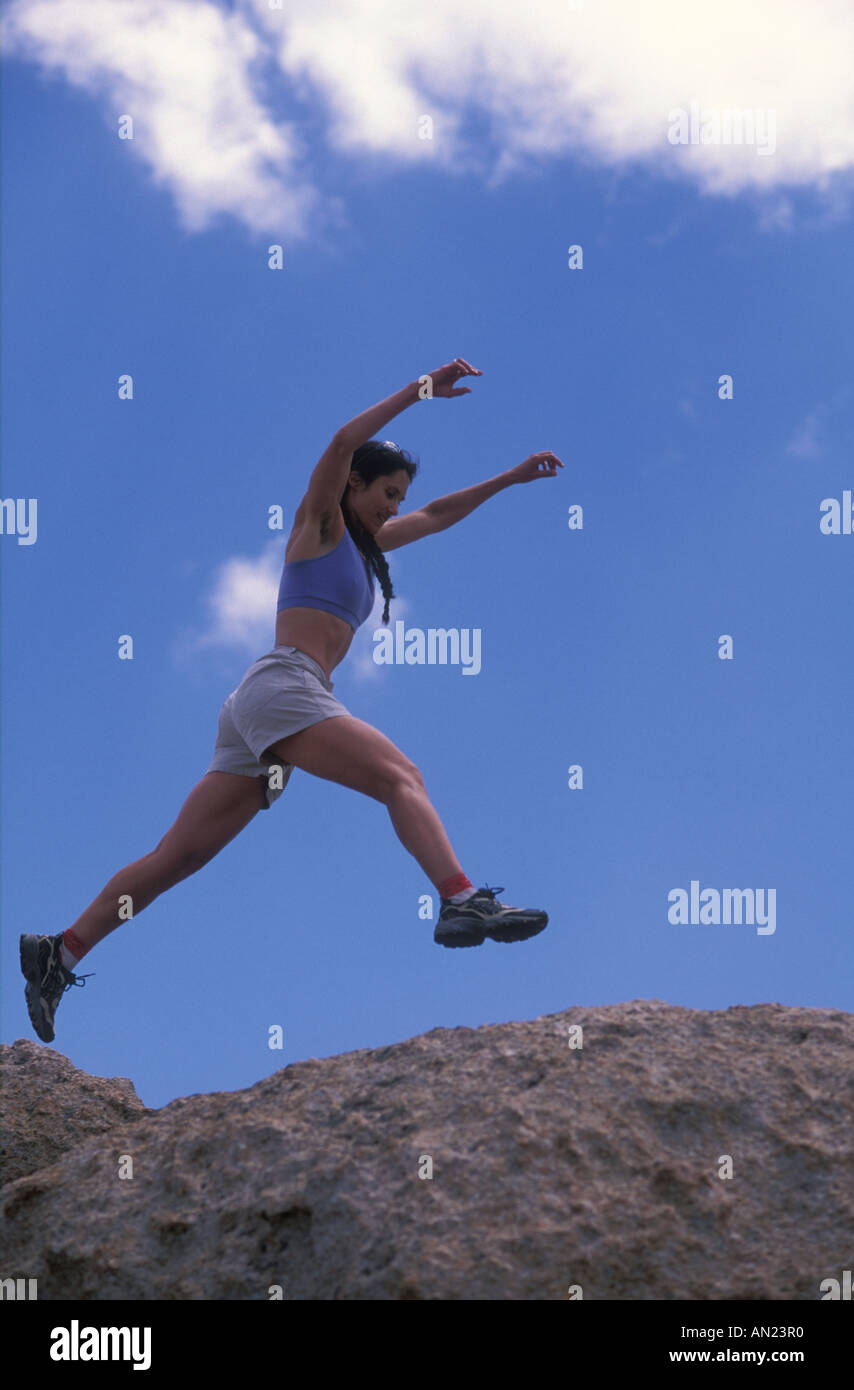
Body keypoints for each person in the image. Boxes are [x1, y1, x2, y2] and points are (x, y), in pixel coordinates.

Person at [20, 358, 563, 1043]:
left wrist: (511, 477)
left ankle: (59, 953)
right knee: (402, 778)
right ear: (353, 485)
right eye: (384, 492)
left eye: (398, 497)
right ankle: (461, 900)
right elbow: (339, 444)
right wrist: (420, 390)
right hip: (285, 686)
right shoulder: (321, 524)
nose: (393, 506)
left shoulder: (370, 546)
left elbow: (438, 512)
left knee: (179, 858)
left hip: (260, 707)